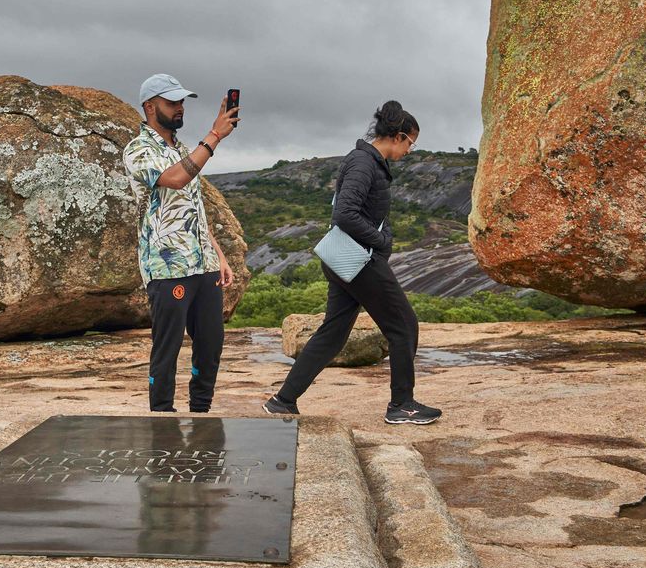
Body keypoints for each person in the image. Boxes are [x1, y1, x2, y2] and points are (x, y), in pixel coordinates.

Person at [263, 101, 441, 425]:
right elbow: (344, 214)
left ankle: (283, 400)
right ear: (398, 136)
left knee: (332, 333)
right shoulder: (363, 162)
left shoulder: (368, 161)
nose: (410, 151)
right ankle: (402, 404)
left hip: (347, 261)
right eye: (411, 143)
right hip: (358, 261)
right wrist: (381, 241)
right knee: (404, 326)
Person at [122, 73, 240, 413]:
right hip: (167, 264)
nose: (179, 108)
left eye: (181, 102)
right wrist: (215, 135)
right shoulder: (138, 150)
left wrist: (219, 256)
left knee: (211, 343)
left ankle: (201, 411)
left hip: (202, 263)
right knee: (168, 346)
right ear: (149, 106)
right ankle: (162, 416)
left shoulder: (184, 149)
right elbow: (175, 179)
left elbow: (195, 210)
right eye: (172, 102)